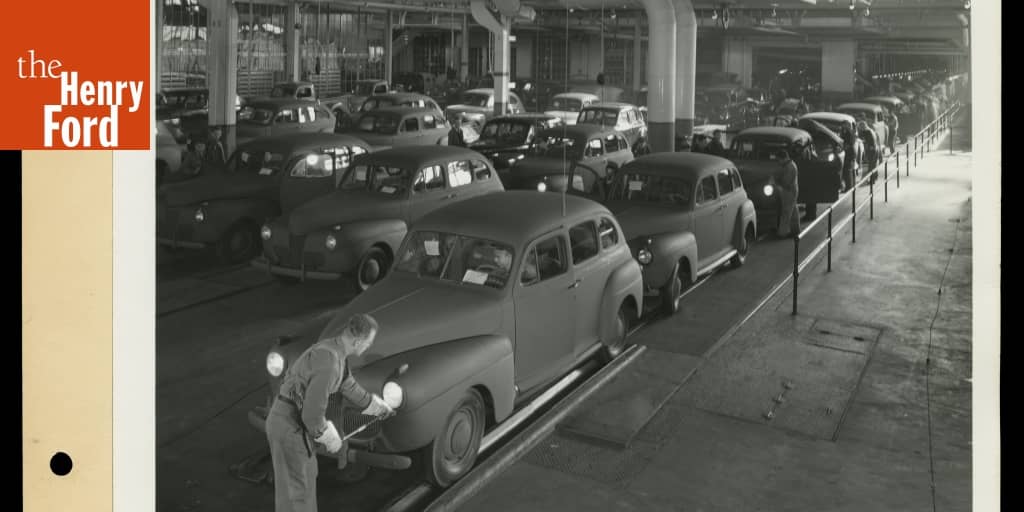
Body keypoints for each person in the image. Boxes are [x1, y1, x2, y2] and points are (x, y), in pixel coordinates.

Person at [266, 313, 394, 512]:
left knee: (305, 480)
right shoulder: (330, 363)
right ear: (358, 341)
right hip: (289, 426)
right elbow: (311, 414)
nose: (369, 346)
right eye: (369, 342)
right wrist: (326, 435)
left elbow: (348, 385)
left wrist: (374, 406)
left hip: (292, 424)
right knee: (297, 493)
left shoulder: (334, 350)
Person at [775, 149, 800, 238]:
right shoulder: (791, 165)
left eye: (778, 160)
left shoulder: (789, 167)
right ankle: (795, 230)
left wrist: (776, 182)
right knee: (793, 211)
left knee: (786, 213)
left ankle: (782, 233)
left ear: (783, 158)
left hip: (789, 192)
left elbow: (786, 183)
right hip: (792, 191)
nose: (778, 162)